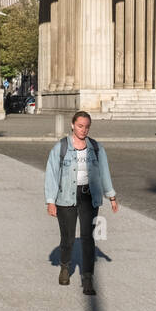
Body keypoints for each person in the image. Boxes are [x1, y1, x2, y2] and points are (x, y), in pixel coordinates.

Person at [44, 111, 118, 295]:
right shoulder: (60, 147)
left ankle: (87, 278)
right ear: (72, 125)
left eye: (86, 127)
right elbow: (51, 175)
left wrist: (111, 196)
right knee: (67, 238)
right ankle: (65, 267)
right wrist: (50, 201)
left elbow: (104, 173)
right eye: (80, 126)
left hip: (88, 196)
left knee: (88, 238)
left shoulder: (96, 148)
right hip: (66, 198)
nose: (83, 130)